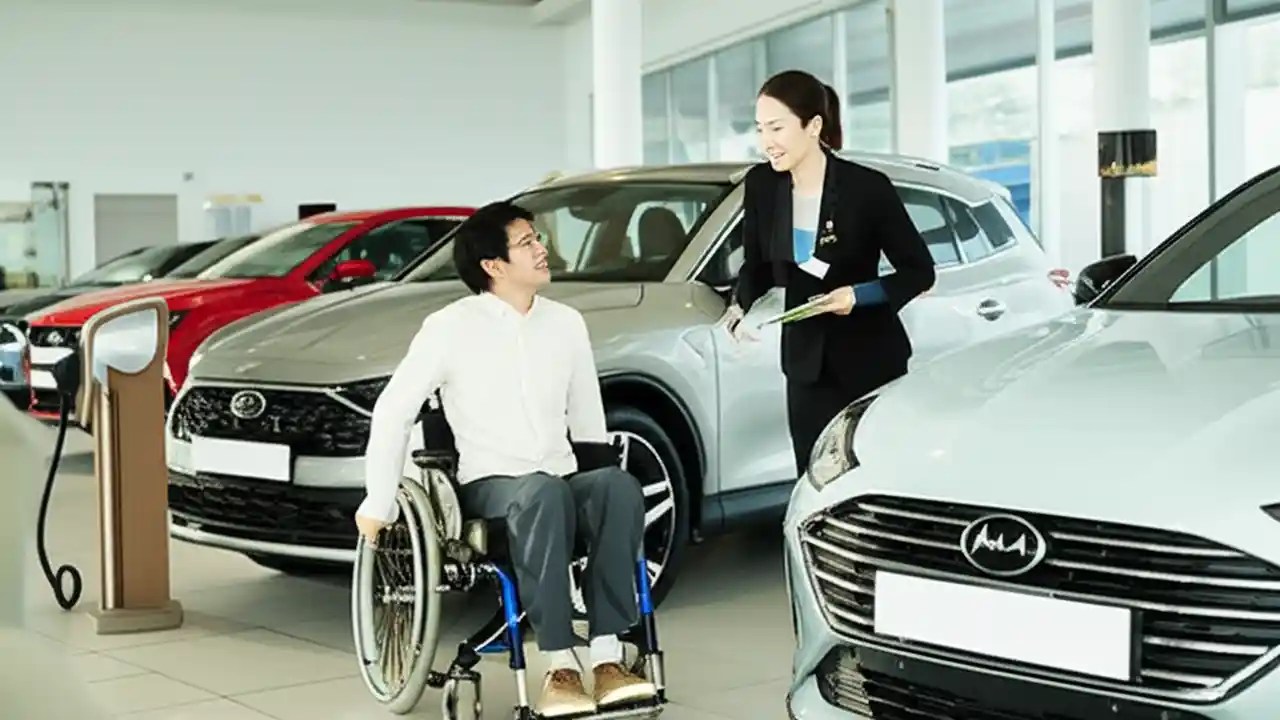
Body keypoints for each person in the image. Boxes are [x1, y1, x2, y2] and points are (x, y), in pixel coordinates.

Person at [353, 201, 656, 717]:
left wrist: (602, 476)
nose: (542, 249)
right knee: (541, 492)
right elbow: (393, 412)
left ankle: (606, 656)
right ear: (493, 266)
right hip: (492, 487)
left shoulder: (566, 323)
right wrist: (378, 501)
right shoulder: (450, 327)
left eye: (538, 238)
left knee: (616, 487)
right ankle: (559, 664)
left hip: (557, 481)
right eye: (527, 243)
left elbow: (587, 419)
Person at [721, 70, 936, 475]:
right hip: (806, 365)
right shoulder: (762, 185)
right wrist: (738, 308)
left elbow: (919, 271)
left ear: (813, 125)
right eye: (760, 129)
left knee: (873, 474)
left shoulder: (866, 188)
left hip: (870, 359)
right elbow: (758, 266)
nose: (767, 141)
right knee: (814, 475)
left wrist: (858, 295)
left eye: (777, 128)